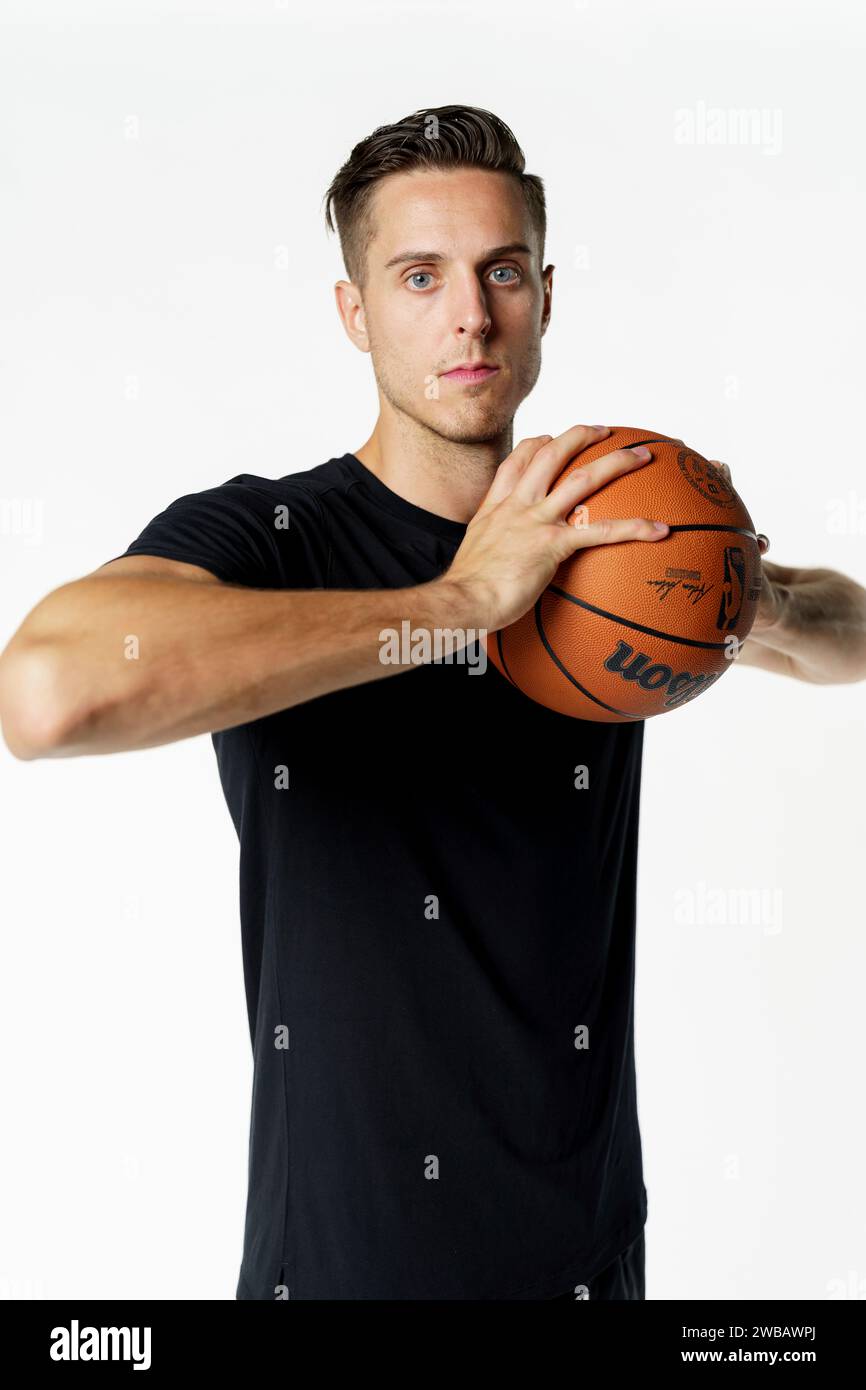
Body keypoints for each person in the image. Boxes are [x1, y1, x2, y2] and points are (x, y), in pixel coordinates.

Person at [1, 105, 864, 1301]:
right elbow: (43, 692)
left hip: (591, 1264)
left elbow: (850, 639)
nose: (470, 315)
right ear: (353, 312)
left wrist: (738, 596)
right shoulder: (273, 536)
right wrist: (460, 600)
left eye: (500, 270)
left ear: (545, 297)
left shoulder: (595, 530)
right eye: (419, 277)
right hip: (351, 1269)